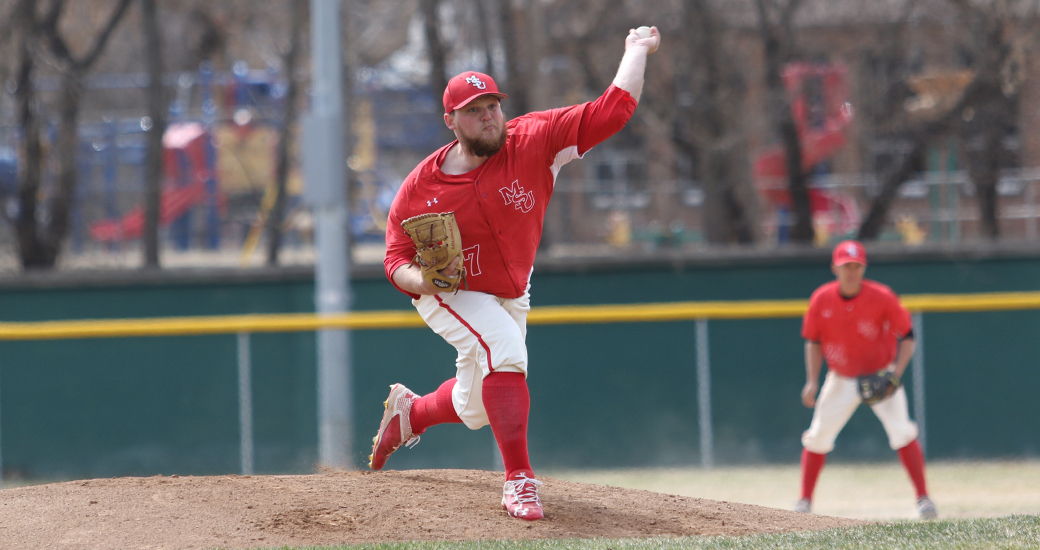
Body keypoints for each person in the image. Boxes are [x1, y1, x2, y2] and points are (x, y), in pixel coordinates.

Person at [369, 27, 661, 521]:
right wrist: (422, 282)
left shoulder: (535, 140)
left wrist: (635, 48)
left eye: (492, 106)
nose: (487, 116)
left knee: (478, 406)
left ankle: (411, 413)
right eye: (473, 110)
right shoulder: (422, 186)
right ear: (451, 121)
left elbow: (612, 109)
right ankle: (519, 482)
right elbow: (395, 258)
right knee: (507, 349)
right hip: (450, 291)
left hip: (511, 289)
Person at [795, 240, 938, 519]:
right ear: (834, 267)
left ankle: (923, 499)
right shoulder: (821, 298)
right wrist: (812, 380)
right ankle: (804, 501)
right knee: (818, 437)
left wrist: (895, 374)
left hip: (880, 376)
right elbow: (813, 340)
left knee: (903, 432)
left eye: (857, 266)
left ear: (864, 268)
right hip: (841, 378)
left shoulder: (882, 296)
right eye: (846, 265)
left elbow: (907, 335)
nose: (852, 271)